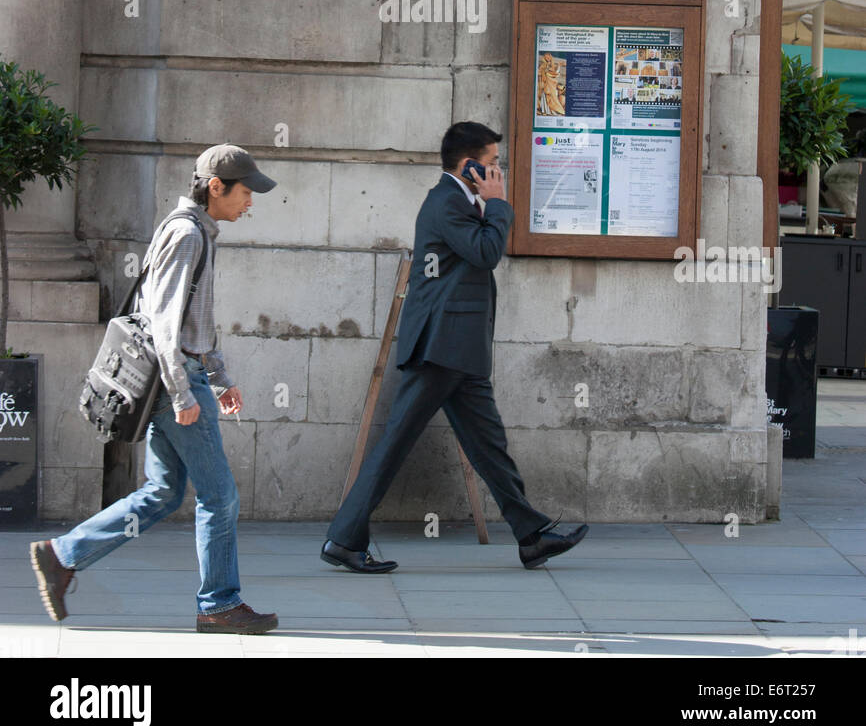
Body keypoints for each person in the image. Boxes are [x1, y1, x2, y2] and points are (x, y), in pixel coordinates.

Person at [30, 144, 280, 634]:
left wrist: (221, 376)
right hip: (175, 383)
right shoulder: (187, 234)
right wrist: (185, 393)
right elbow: (165, 324)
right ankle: (219, 605)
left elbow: (196, 320)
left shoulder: (196, 231)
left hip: (181, 376)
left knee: (164, 492)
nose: (250, 202)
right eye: (245, 191)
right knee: (220, 497)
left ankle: (63, 554)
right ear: (216, 187)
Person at [321, 121, 589, 573]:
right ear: (468, 167)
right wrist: (499, 204)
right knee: (394, 444)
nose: (497, 171)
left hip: (458, 348)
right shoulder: (447, 203)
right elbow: (486, 253)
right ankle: (343, 539)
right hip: (440, 347)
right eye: (492, 164)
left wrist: (489, 204)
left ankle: (531, 536)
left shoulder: (460, 201)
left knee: (489, 445)